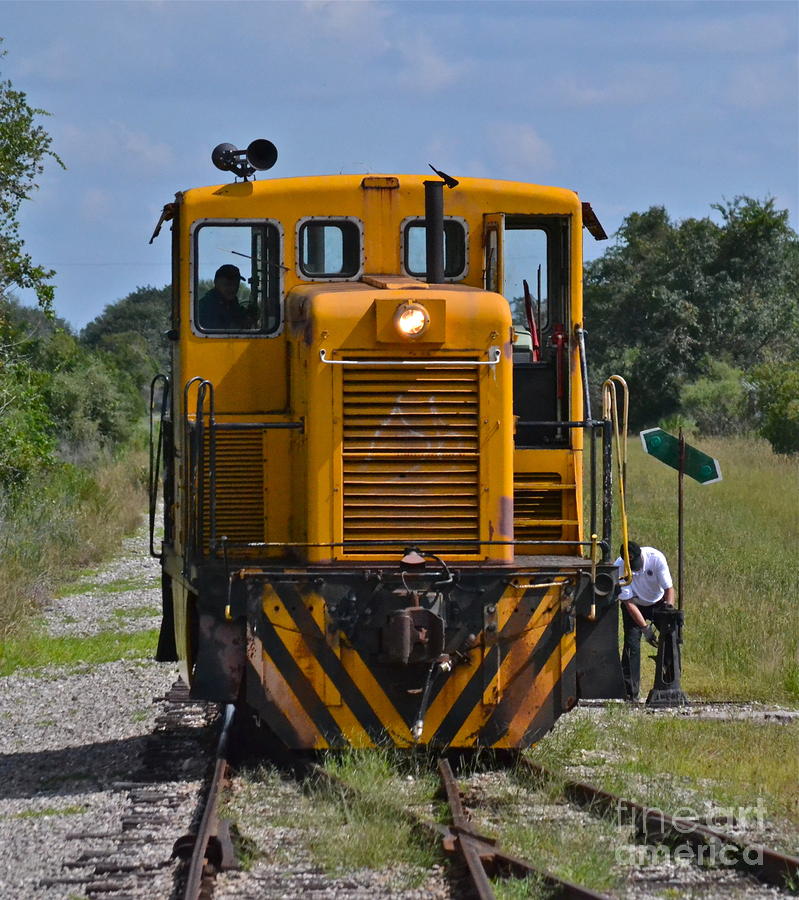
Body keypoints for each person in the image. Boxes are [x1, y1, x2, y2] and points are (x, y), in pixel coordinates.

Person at [615, 540, 675, 701]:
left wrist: (668, 609)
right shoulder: (619, 567)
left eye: (636, 563)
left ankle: (669, 683)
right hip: (634, 605)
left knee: (670, 639)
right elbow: (627, 602)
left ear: (641, 555)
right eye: (631, 565)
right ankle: (630, 692)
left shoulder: (656, 558)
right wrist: (645, 629)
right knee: (631, 645)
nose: (635, 568)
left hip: (658, 602)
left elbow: (669, 589)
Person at [197, 264, 255, 330]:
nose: (233, 288)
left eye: (236, 284)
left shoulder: (233, 305)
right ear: (216, 282)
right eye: (228, 284)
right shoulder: (205, 307)